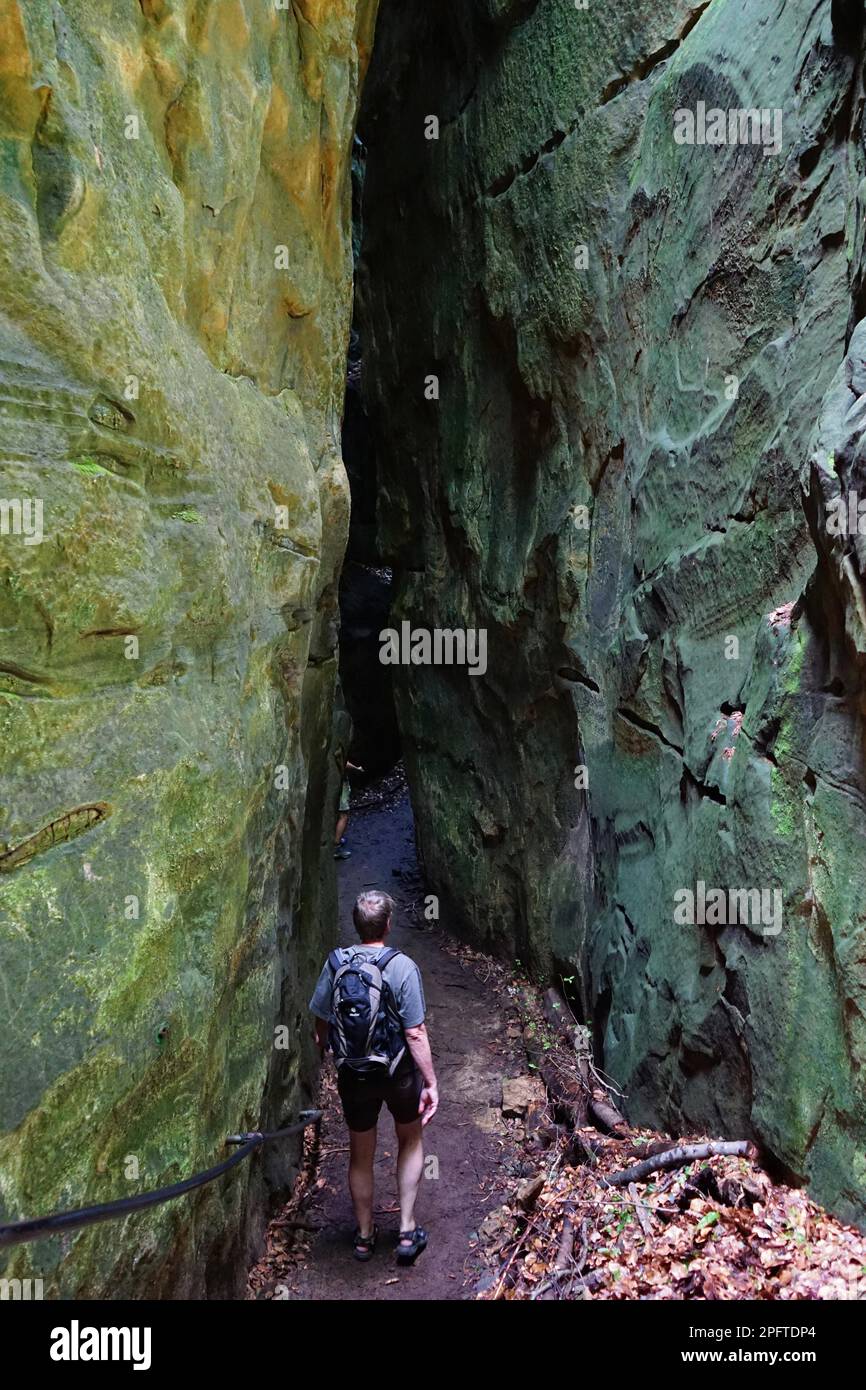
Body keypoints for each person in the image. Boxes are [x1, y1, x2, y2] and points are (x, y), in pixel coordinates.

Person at [309, 890, 439, 1264]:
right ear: (388, 925)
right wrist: (430, 1082)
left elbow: (321, 1029)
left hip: (354, 1075)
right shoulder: (402, 967)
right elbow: (415, 1032)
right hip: (397, 1072)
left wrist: (329, 1049)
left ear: (356, 925)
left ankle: (364, 1237)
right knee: (410, 1139)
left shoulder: (335, 965)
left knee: (360, 1153)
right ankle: (406, 1232)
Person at [334, 753, 363, 859]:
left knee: (339, 813)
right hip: (341, 784)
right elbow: (343, 762)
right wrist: (357, 769)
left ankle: (336, 839)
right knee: (344, 815)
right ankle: (336, 848)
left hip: (339, 783)